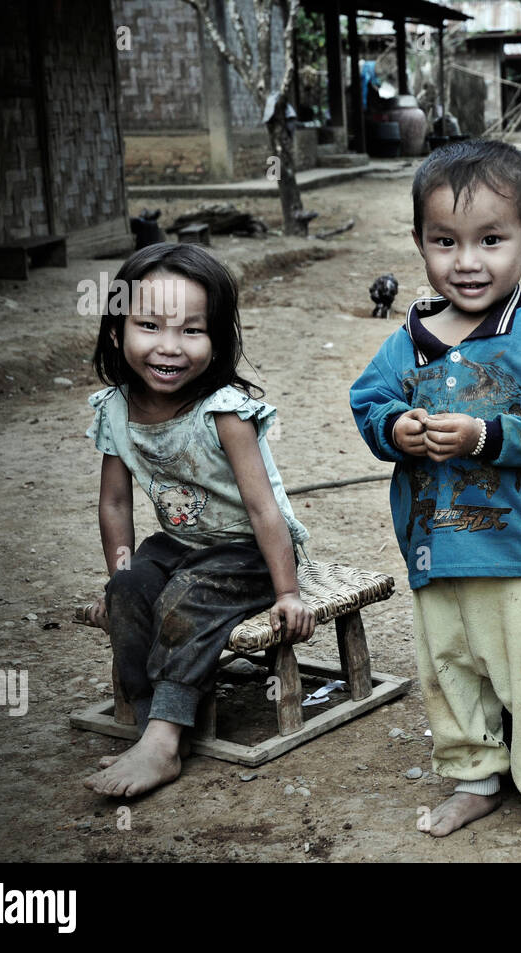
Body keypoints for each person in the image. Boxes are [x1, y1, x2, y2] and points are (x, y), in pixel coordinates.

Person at [349, 139, 521, 857]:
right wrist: (396, 426)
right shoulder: (410, 341)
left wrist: (486, 435)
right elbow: (367, 400)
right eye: (444, 241)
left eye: (492, 240)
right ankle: (474, 775)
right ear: (420, 246)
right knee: (449, 669)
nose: (467, 260)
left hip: (520, 552)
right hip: (434, 548)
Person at [83, 243, 313, 797]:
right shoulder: (116, 409)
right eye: (149, 326)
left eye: (192, 330)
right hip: (183, 542)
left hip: (248, 550)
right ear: (117, 332)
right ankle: (150, 717)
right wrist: (117, 576)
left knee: (186, 594)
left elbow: (263, 508)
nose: (169, 346)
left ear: (217, 342)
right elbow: (115, 503)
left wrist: (288, 592)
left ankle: (163, 742)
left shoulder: (225, 411)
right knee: (134, 585)